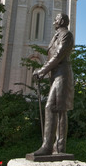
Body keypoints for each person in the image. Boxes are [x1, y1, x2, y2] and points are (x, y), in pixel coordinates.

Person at [32, 13, 74, 156]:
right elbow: (50, 56)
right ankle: (55, 147)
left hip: (62, 75)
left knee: (53, 107)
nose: (54, 22)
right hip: (55, 75)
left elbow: (58, 55)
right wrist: (41, 70)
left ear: (62, 21)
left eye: (56, 19)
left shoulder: (66, 35)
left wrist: (42, 71)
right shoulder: (55, 36)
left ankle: (51, 147)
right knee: (57, 109)